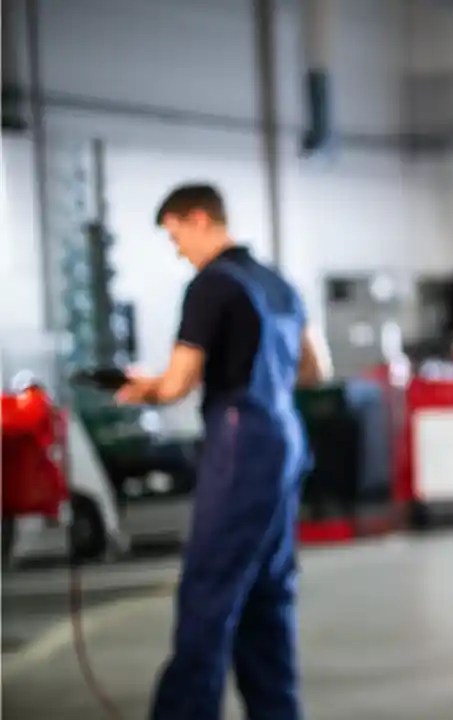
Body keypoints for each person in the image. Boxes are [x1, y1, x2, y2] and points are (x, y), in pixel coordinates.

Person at [115, 184, 331, 720]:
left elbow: (177, 382)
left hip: (241, 440)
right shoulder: (279, 283)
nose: (177, 250)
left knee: (208, 593)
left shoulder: (210, 285)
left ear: (198, 220)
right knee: (267, 593)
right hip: (285, 437)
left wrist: (140, 387)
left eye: (175, 236)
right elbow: (316, 369)